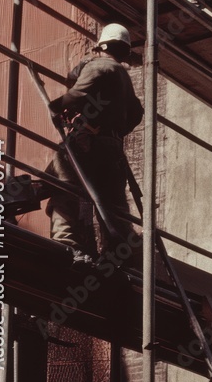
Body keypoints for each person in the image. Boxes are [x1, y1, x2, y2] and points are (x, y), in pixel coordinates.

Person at [45, 24, 143, 265]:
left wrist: (56, 107)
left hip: (88, 141)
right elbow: (137, 112)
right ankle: (120, 251)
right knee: (113, 201)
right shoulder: (123, 76)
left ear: (101, 47)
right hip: (113, 147)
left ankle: (66, 243)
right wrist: (115, 131)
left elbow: (77, 94)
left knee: (61, 181)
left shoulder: (100, 65)